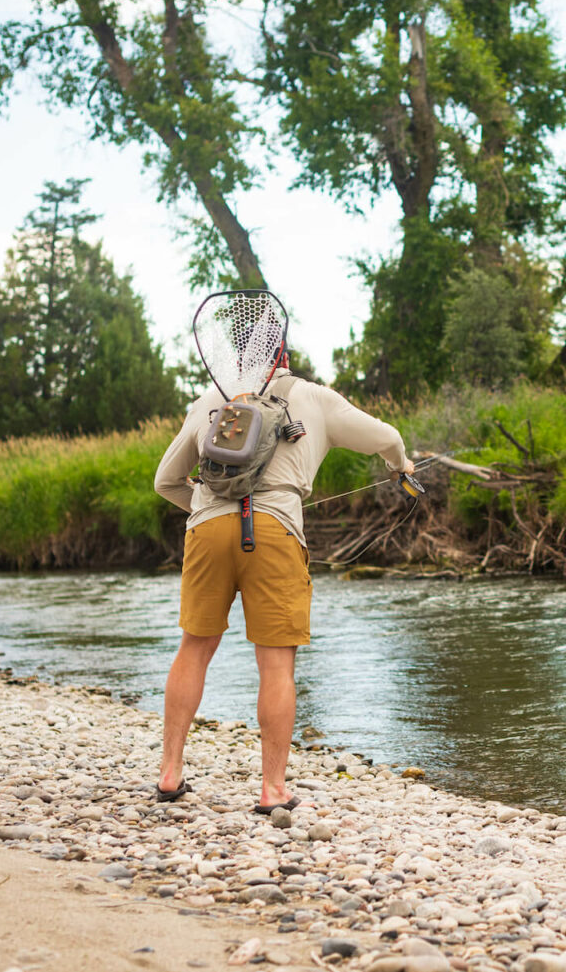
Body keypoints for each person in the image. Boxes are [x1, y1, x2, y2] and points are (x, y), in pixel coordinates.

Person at [152, 340, 412, 813]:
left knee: (194, 647)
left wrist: (210, 509)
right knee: (275, 664)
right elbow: (387, 436)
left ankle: (170, 774)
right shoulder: (313, 397)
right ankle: (272, 789)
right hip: (274, 533)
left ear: (239, 361)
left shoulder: (211, 402)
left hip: (207, 531)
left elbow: (165, 481)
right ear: (285, 358)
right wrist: (401, 465)